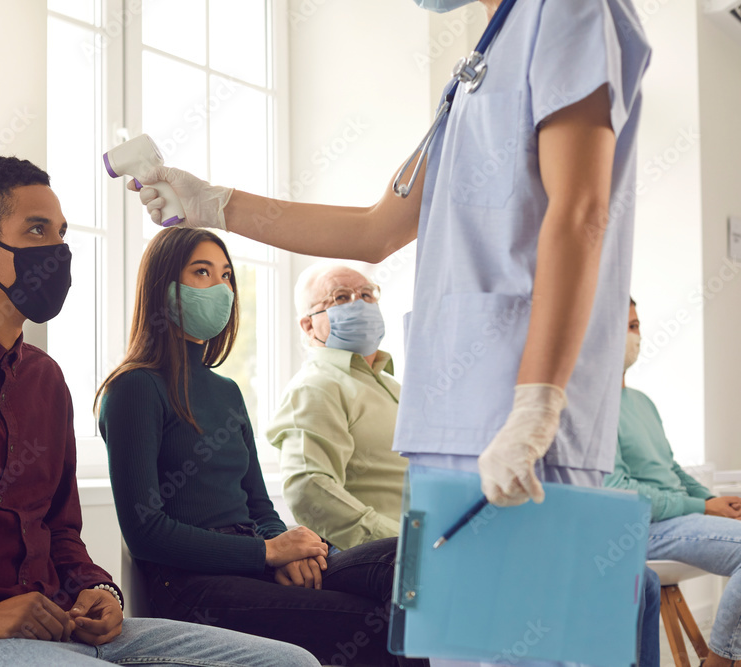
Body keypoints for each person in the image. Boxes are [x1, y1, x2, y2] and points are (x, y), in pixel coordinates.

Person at [130, 1, 650, 663]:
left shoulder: (567, 10)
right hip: (456, 428)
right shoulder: (478, 66)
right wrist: (214, 203)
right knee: (464, 652)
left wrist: (537, 403)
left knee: (534, 650)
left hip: (523, 417)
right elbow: (375, 231)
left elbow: (580, 210)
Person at [0, 157, 319, 667]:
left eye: (62, 233)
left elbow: (61, 530)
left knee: (292, 662)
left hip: (63, 631)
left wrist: (97, 588)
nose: (59, 250)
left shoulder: (45, 380)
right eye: (37, 231)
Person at [97, 227, 428, 667]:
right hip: (193, 588)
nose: (221, 288)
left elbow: (258, 503)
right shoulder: (134, 389)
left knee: (404, 563)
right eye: (202, 272)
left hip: (255, 564)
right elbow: (146, 533)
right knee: (381, 622)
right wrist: (267, 553)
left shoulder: (227, 391)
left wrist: (282, 548)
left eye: (227, 276)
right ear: (163, 289)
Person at [605, 297, 741, 667]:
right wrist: (701, 506)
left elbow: (672, 470)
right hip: (647, 526)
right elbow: (620, 489)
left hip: (681, 518)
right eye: (627, 327)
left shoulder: (642, 402)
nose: (636, 336)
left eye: (637, 326)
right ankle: (718, 662)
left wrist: (714, 500)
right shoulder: (596, 410)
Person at [266, 262, 407, 550]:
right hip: (384, 556)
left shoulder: (395, 387)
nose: (361, 303)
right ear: (307, 324)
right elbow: (308, 489)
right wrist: (402, 544)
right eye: (341, 297)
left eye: (368, 295)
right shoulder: (316, 386)